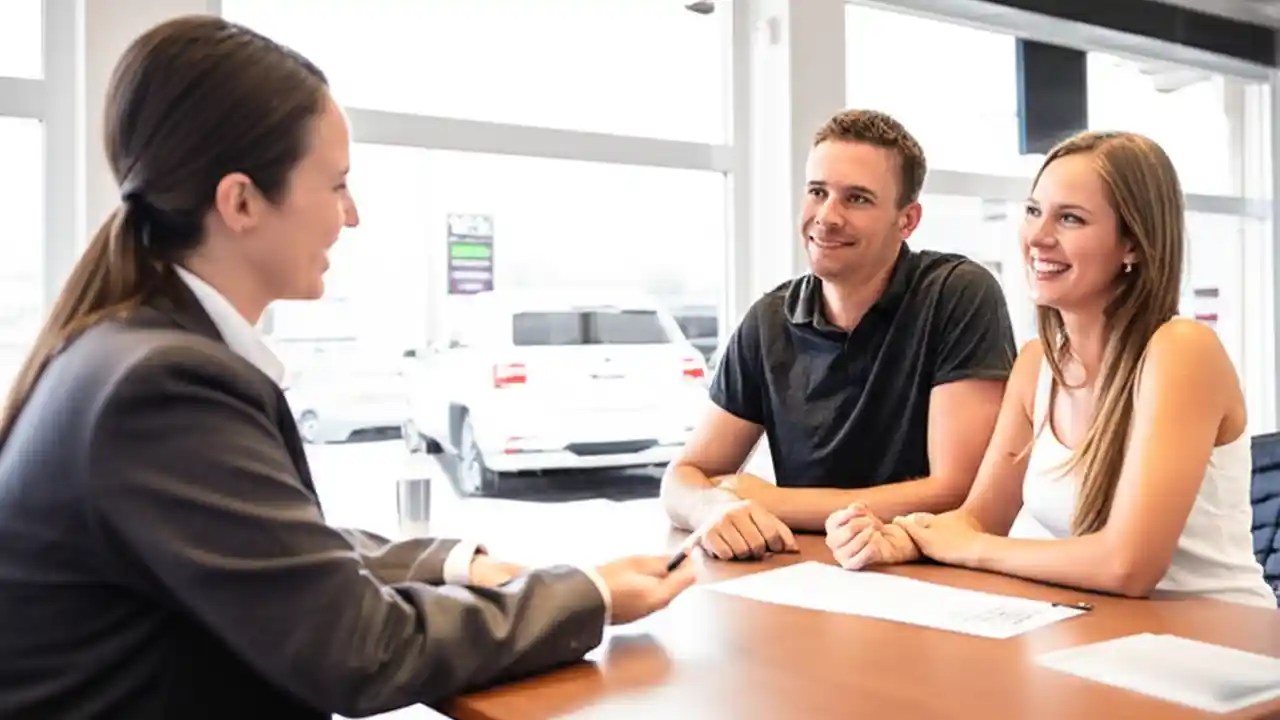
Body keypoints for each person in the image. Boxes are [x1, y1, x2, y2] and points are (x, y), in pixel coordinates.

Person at [0, 16, 696, 719]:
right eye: (335, 185)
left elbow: (277, 553)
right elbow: (365, 649)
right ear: (240, 201)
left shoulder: (120, 351)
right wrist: (592, 595)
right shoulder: (161, 388)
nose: (352, 216)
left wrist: (455, 563)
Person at [825, 130, 1277, 609]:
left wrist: (972, 549)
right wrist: (906, 538)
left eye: (1070, 219)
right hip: (1107, 634)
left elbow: (1127, 566)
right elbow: (977, 519)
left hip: (1221, 647)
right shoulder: (1035, 365)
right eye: (1034, 211)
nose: (1038, 237)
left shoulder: (1181, 351)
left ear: (1134, 245)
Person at [661, 109, 1017, 561]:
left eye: (857, 199)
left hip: (926, 576)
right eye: (817, 192)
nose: (827, 217)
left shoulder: (956, 293)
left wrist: (777, 502)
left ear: (906, 221)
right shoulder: (769, 320)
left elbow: (957, 492)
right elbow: (685, 475)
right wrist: (710, 505)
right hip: (808, 576)